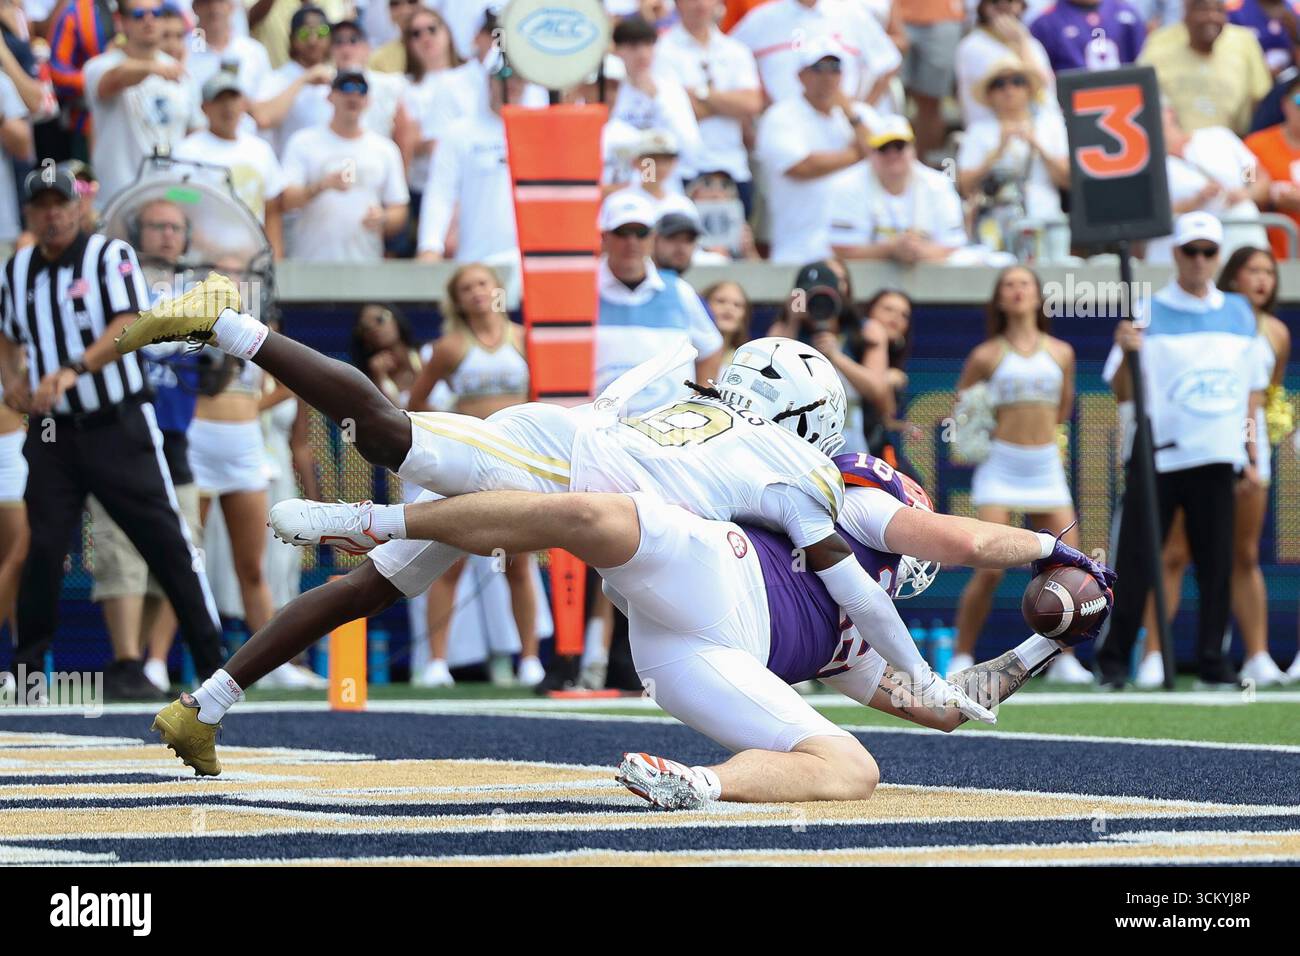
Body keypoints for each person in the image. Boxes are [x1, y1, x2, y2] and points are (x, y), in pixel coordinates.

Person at [119, 287, 998, 772]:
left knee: (372, 587)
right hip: (559, 468)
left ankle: (207, 706)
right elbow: (849, 587)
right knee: (390, 436)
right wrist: (925, 675)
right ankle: (229, 326)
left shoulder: (716, 414)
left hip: (573, 445)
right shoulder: (797, 473)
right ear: (810, 420)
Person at [274, 457, 1109, 807]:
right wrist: (1058, 552)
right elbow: (966, 542)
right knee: (586, 511)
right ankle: (374, 517)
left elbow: (947, 708)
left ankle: (701, 786)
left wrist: (1047, 641)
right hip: (723, 570)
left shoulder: (857, 647)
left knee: (852, 767)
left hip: (692, 651)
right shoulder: (847, 505)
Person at [0, 167, 224, 697]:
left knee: (165, 541)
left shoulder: (110, 255)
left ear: (78, 208)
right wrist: (12, 382)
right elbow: (7, 336)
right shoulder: (18, 268)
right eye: (43, 205)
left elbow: (127, 325)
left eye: (62, 203)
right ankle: (29, 673)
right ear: (30, 213)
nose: (53, 213)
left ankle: (217, 665)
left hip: (118, 424)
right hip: (54, 433)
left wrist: (74, 369)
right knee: (43, 546)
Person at [1097, 212, 1271, 689]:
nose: (1199, 260)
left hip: (1217, 455)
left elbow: (1251, 392)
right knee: (1134, 560)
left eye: (1208, 252)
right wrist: (1125, 347)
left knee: (1218, 563)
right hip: (1157, 454)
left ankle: (1214, 661)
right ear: (1175, 254)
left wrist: (1251, 454)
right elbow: (1120, 388)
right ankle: (1113, 663)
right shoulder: (1147, 310)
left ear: (1217, 257)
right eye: (1190, 251)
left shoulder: (1240, 313)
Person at [1134, 246, 1293, 688]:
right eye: (1252, 271)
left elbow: (1262, 397)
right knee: (1175, 553)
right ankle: (1153, 655)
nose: (1262, 279)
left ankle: (1257, 655)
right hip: (1198, 447)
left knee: (1242, 555)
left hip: (1245, 451)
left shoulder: (1277, 333)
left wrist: (1252, 457)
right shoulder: (1205, 320)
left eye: (1269, 271)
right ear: (1233, 279)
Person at [399, 265, 542, 688]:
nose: (477, 293)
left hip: (516, 460)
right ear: (457, 300)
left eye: (483, 283)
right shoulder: (450, 348)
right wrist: (455, 430)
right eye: (467, 288)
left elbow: (540, 397)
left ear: (498, 289)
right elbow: (416, 401)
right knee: (448, 561)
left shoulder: (524, 338)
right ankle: (437, 663)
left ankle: (530, 660)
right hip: (469, 462)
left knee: (519, 563)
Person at [948, 266, 1091, 684]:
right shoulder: (986, 355)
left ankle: (1062, 659)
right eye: (1008, 285)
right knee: (989, 566)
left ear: (1037, 296)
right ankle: (962, 653)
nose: (1016, 291)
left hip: (1045, 465)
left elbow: (1064, 408)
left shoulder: (1062, 352)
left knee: (1070, 569)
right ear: (998, 298)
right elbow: (963, 411)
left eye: (1023, 284)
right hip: (1001, 466)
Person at [595, 189, 724, 414]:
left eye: (640, 232)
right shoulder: (581, 292)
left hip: (667, 438)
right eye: (622, 232)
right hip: (596, 434)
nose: (631, 241)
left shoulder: (680, 290)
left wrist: (700, 408)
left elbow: (711, 349)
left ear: (652, 238)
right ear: (604, 237)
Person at [753, 36, 874, 265]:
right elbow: (801, 166)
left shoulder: (859, 114)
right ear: (801, 75)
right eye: (818, 69)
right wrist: (857, 154)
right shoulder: (781, 116)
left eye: (835, 69)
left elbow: (882, 156)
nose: (827, 77)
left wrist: (851, 114)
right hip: (798, 246)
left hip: (855, 248)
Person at [82, 0, 202, 208]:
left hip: (169, 202)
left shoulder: (181, 74)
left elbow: (196, 136)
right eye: (138, 14)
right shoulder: (98, 66)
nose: (149, 20)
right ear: (122, 22)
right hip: (118, 202)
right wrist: (151, 68)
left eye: (155, 13)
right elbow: (116, 79)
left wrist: (190, 197)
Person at [280, 70, 409, 262]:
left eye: (361, 90)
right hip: (311, 262)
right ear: (330, 96)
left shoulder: (385, 149)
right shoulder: (302, 142)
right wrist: (320, 186)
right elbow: (284, 201)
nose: (353, 95)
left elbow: (399, 210)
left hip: (365, 262)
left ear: (368, 100)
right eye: (345, 88)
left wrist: (382, 218)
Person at [957, 58, 1071, 262]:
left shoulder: (1051, 125)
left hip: (1046, 218)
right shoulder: (978, 131)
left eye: (1017, 82)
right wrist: (997, 152)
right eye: (999, 84)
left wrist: (1038, 146)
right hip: (996, 224)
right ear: (990, 95)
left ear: (1028, 89)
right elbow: (964, 186)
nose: (1009, 90)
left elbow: (1067, 180)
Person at [653, 0, 762, 211]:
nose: (700, 4)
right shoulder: (662, 50)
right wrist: (728, 104)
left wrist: (700, 93)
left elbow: (751, 103)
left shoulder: (736, 51)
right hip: (684, 171)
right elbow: (671, 110)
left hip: (733, 167)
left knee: (738, 242)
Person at [831, 115, 973, 265]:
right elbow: (841, 249)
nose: (892, 155)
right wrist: (891, 249)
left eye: (899, 146)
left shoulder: (938, 184)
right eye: (884, 148)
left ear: (913, 149)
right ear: (871, 152)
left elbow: (953, 245)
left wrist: (915, 251)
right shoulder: (847, 184)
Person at [173, 71, 286, 257]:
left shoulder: (260, 150)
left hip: (252, 261)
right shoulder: (186, 151)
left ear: (243, 104)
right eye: (219, 100)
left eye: (233, 99)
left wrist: (276, 258)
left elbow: (272, 207)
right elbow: (171, 196)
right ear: (204, 107)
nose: (227, 107)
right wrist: (199, 197)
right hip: (202, 259)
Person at [1146, 105, 1269, 262]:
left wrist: (1246, 191)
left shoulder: (1217, 136)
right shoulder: (1147, 163)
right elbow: (1149, 213)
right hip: (1186, 246)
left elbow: (1251, 170)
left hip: (1239, 232)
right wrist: (1195, 201)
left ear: (1170, 112)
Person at [731, 0, 901, 107]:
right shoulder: (762, 17)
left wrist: (863, 108)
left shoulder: (851, 13)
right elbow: (727, 54)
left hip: (842, 126)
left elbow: (889, 61)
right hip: (782, 128)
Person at [1139, 0, 1272, 136]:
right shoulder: (1160, 41)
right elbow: (1141, 94)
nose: (1211, 17)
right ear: (1186, 13)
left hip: (1232, 145)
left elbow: (1260, 96)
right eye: (1202, 9)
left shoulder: (1244, 41)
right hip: (1174, 148)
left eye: (1219, 11)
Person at [607, 15, 704, 182]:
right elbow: (603, 143)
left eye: (648, 45)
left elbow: (692, 148)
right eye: (633, 46)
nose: (642, 54)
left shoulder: (669, 90)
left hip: (663, 186)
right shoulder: (610, 89)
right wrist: (643, 140)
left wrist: (658, 98)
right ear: (617, 50)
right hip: (618, 184)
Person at [955, 0, 1056, 126]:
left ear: (1021, 6)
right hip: (991, 134)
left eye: (1010, 1)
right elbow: (1004, 101)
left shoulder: (1031, 43)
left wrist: (1022, 43)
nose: (1003, 6)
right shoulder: (972, 46)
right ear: (982, 7)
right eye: (995, 2)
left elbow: (1044, 91)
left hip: (1038, 129)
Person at [254, 5, 336, 157]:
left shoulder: (338, 78)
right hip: (289, 171)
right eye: (305, 33)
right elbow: (263, 118)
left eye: (321, 32)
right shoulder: (276, 79)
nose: (313, 40)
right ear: (293, 39)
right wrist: (304, 80)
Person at [898, 0, 966, 157]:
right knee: (893, 98)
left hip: (943, 16)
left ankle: (923, 167)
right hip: (893, 15)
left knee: (930, 102)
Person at [1245, 72, 1300, 259]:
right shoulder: (1254, 146)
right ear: (1285, 104)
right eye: (1299, 100)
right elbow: (1245, 184)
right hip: (1270, 261)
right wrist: (1267, 194)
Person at [1029, 0, 1146, 72]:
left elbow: (1143, 63)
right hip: (1072, 103)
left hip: (1126, 98)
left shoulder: (1127, 13)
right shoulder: (1045, 23)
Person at [703, 280, 751, 367]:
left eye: (737, 305)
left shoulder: (746, 362)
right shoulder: (687, 355)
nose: (729, 308)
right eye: (721, 301)